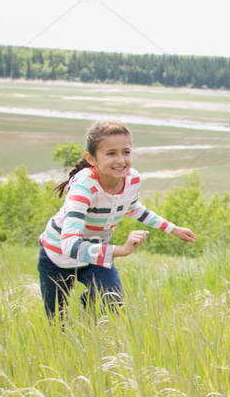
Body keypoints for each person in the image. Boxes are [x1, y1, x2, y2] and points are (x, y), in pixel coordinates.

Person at [38, 120, 196, 319]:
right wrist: (121, 250)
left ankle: (90, 310)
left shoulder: (132, 179)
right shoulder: (83, 187)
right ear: (92, 158)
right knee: (57, 323)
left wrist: (172, 229)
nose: (121, 160)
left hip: (95, 253)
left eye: (126, 152)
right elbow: (69, 245)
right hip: (56, 255)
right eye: (111, 153)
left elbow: (131, 207)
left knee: (113, 303)